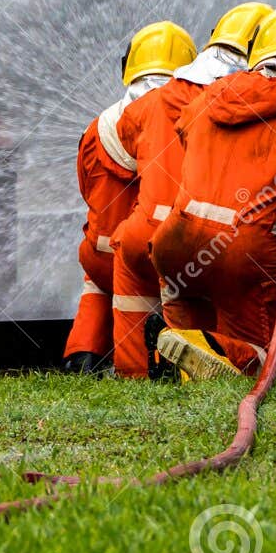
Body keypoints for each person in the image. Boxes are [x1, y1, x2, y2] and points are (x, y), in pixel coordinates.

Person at [149, 5, 276, 380]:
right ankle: (210, 348)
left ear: (257, 50)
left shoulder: (210, 96)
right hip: (242, 254)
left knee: (191, 342)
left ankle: (182, 349)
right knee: (273, 362)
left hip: (173, 241)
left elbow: (183, 129)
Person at [107, 3, 271, 378]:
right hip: (219, 236)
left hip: (155, 233)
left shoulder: (149, 104)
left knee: (147, 306)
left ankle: (142, 370)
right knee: (270, 354)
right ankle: (217, 350)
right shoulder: (242, 102)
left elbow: (124, 149)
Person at [60, 22, 191, 373]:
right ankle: (160, 362)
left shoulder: (96, 128)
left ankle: (83, 352)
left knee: (98, 278)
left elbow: (88, 189)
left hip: (102, 254)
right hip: (155, 262)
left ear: (128, 68)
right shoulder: (187, 117)